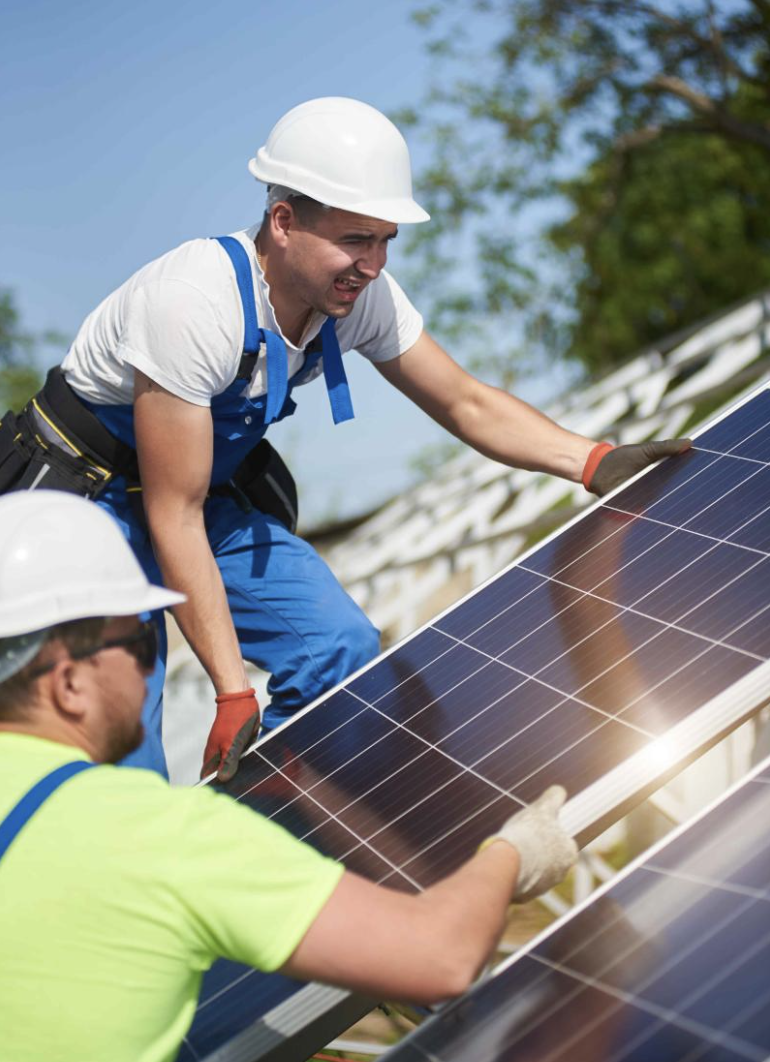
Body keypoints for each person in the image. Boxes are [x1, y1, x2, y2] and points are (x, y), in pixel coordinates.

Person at [0, 97, 689, 780]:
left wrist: (593, 460)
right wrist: (232, 690)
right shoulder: (196, 302)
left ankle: (251, 829)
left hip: (191, 497)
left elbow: (466, 402)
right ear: (284, 221)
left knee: (338, 648)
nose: (374, 263)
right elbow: (169, 515)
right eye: (356, 240)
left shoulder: (359, 300)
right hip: (82, 504)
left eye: (386, 238)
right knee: (114, 736)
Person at [0, 490, 578, 1062]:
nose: (150, 665)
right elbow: (440, 957)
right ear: (68, 683)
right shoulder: (157, 833)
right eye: (136, 642)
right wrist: (513, 851)